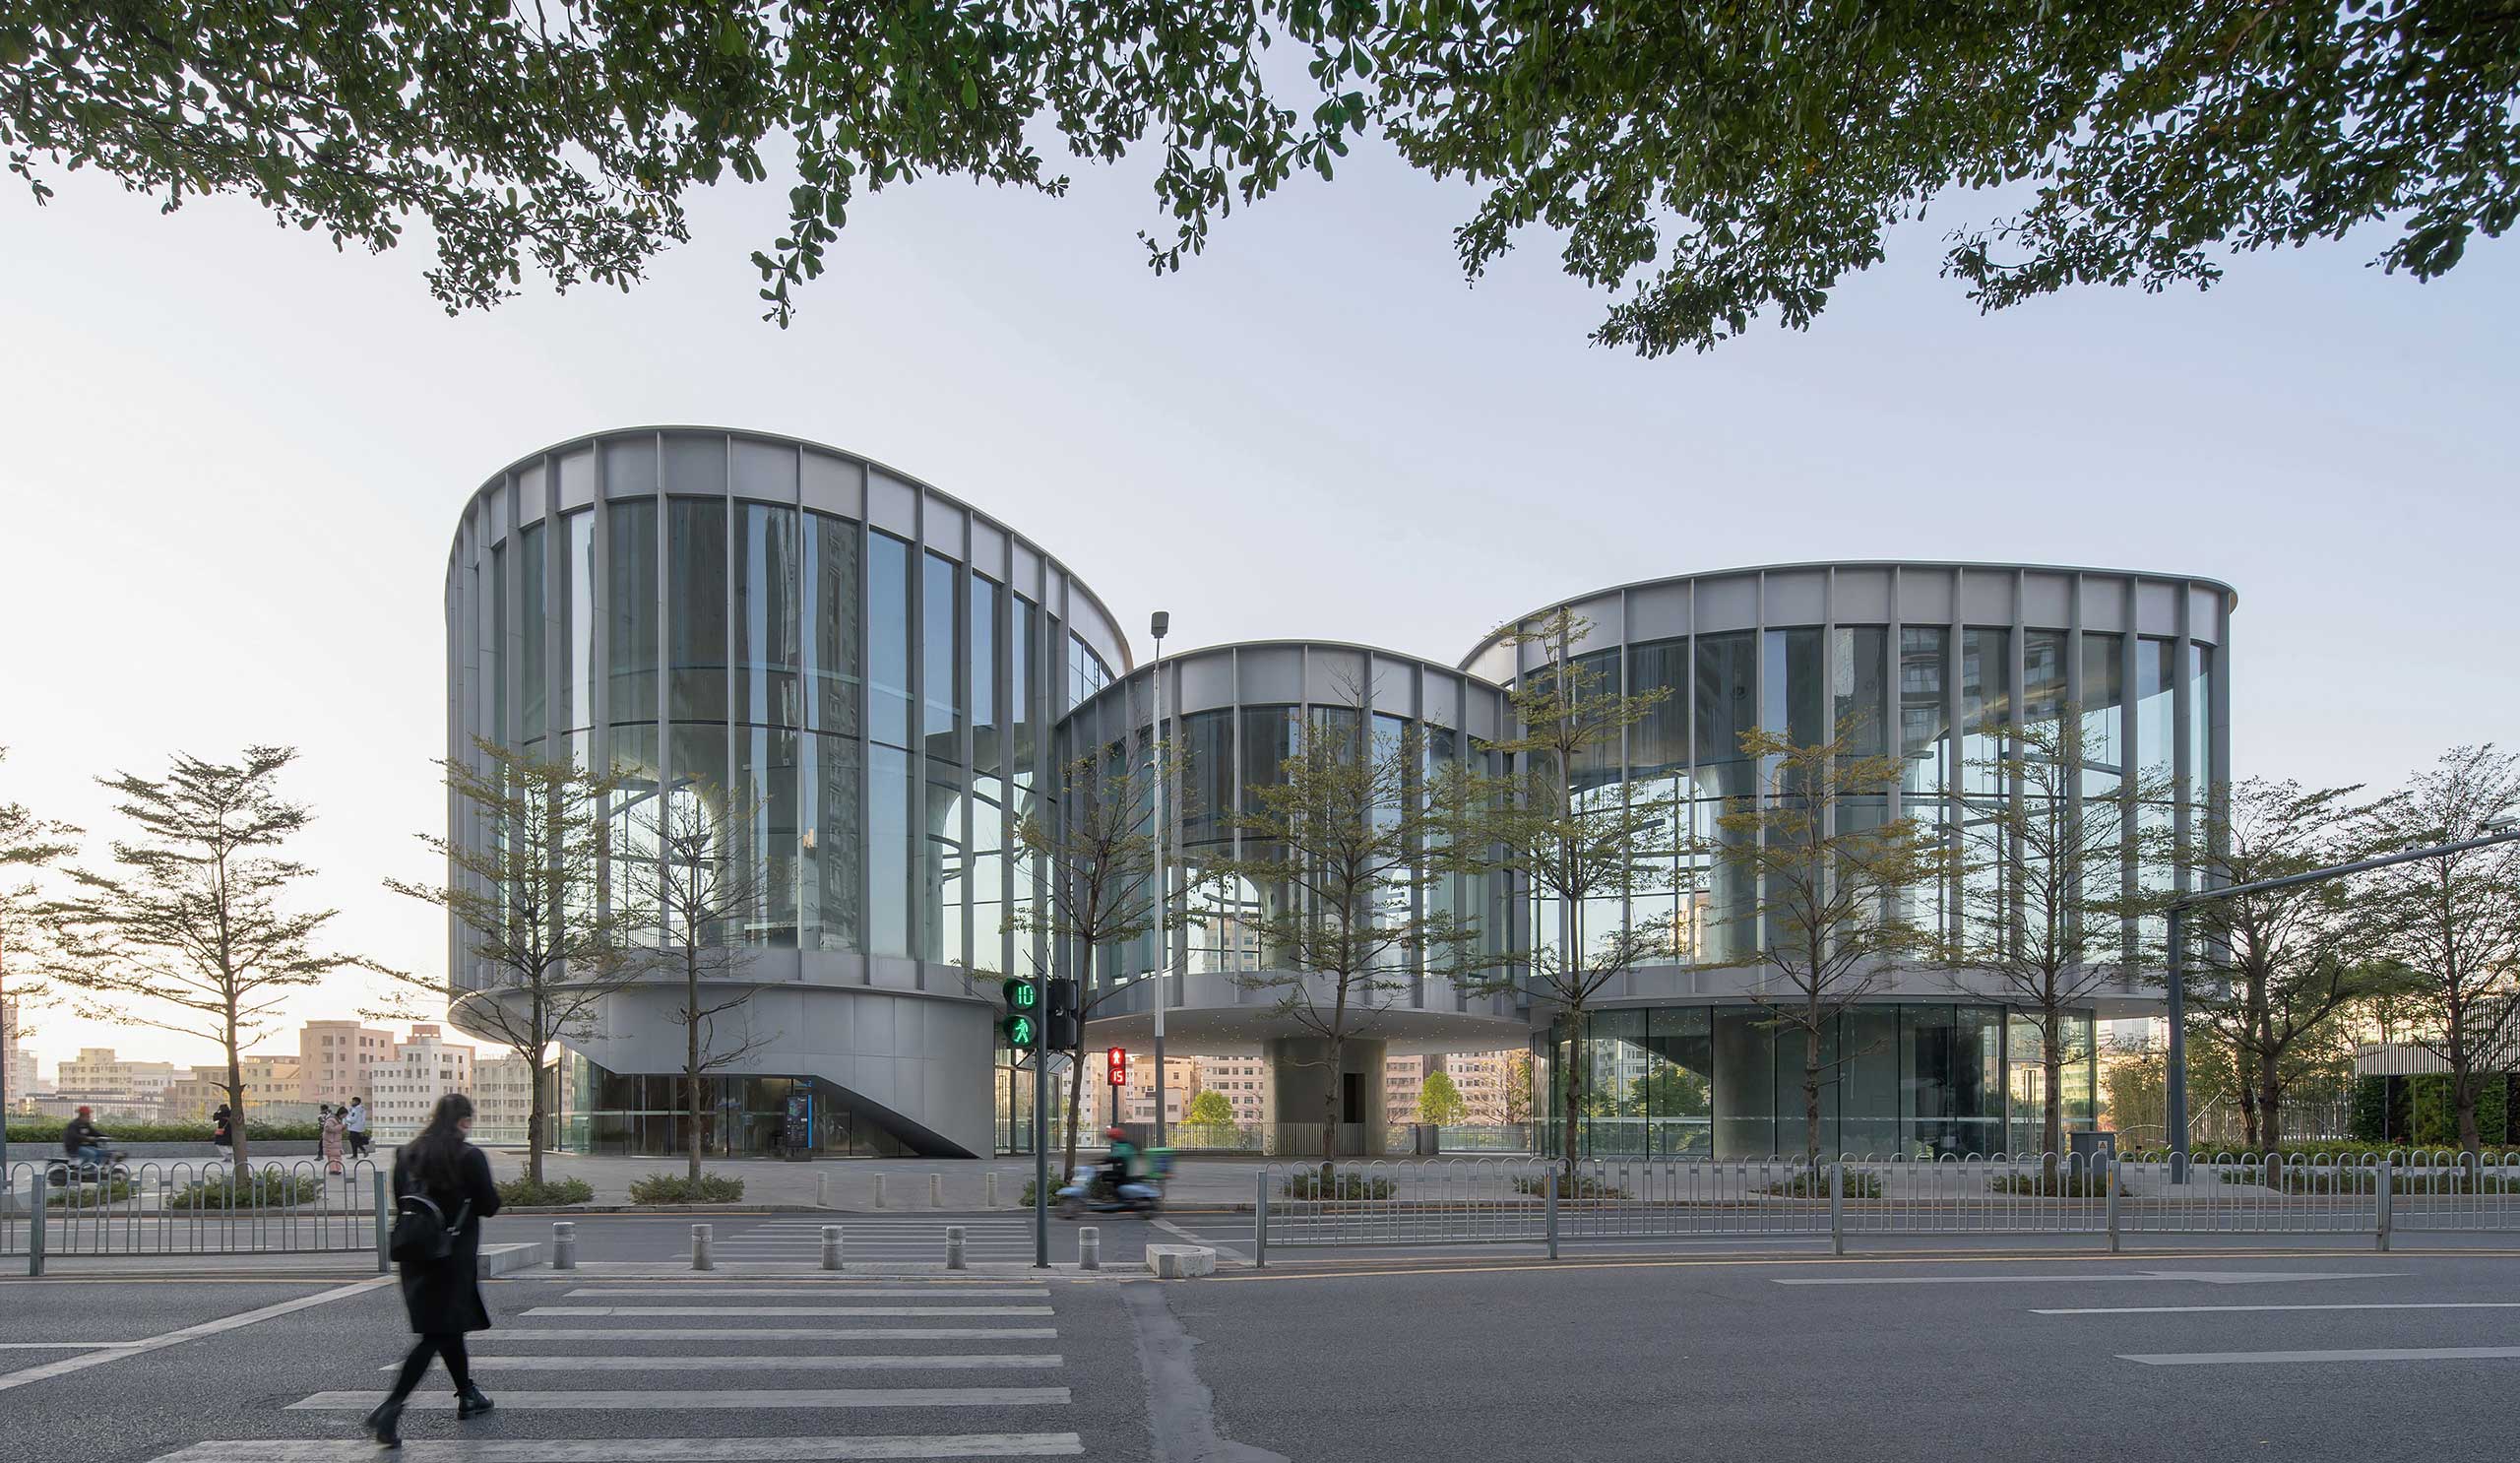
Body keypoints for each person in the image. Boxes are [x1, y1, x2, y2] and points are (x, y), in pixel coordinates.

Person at [367, 1093, 503, 1448]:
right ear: (464, 1121)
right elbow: (489, 1205)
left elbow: (402, 1201)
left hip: (413, 1253)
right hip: (451, 1256)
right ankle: (392, 1406)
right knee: (436, 1334)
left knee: (445, 1326)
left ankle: (467, 1394)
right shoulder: (468, 1155)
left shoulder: (407, 1153)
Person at [62, 1107, 108, 1171]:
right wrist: (87, 1138)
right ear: (83, 1116)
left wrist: (106, 1136)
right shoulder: (73, 1124)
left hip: (84, 1147)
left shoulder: (86, 1124)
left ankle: (91, 1170)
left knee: (100, 1153)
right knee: (92, 1154)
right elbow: (74, 1135)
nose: (89, 1117)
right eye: (88, 1115)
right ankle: (80, 1170)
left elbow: (94, 1132)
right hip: (74, 1147)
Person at [321, 1106, 346, 1177]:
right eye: (344, 1115)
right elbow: (328, 1128)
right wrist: (340, 1127)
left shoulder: (338, 1120)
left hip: (336, 1141)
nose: (344, 1117)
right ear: (341, 1113)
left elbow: (337, 1129)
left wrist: (343, 1128)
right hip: (330, 1141)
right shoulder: (331, 1119)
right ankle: (333, 1169)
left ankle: (337, 1169)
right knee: (332, 1156)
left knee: (337, 1155)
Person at [344, 1097, 370, 1161]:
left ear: (357, 1102)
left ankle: (358, 1153)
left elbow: (353, 1119)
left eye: (353, 1101)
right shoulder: (361, 1109)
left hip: (354, 1128)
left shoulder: (356, 1109)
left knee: (354, 1141)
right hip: (359, 1127)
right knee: (355, 1141)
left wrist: (346, 1119)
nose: (352, 1102)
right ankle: (359, 1152)